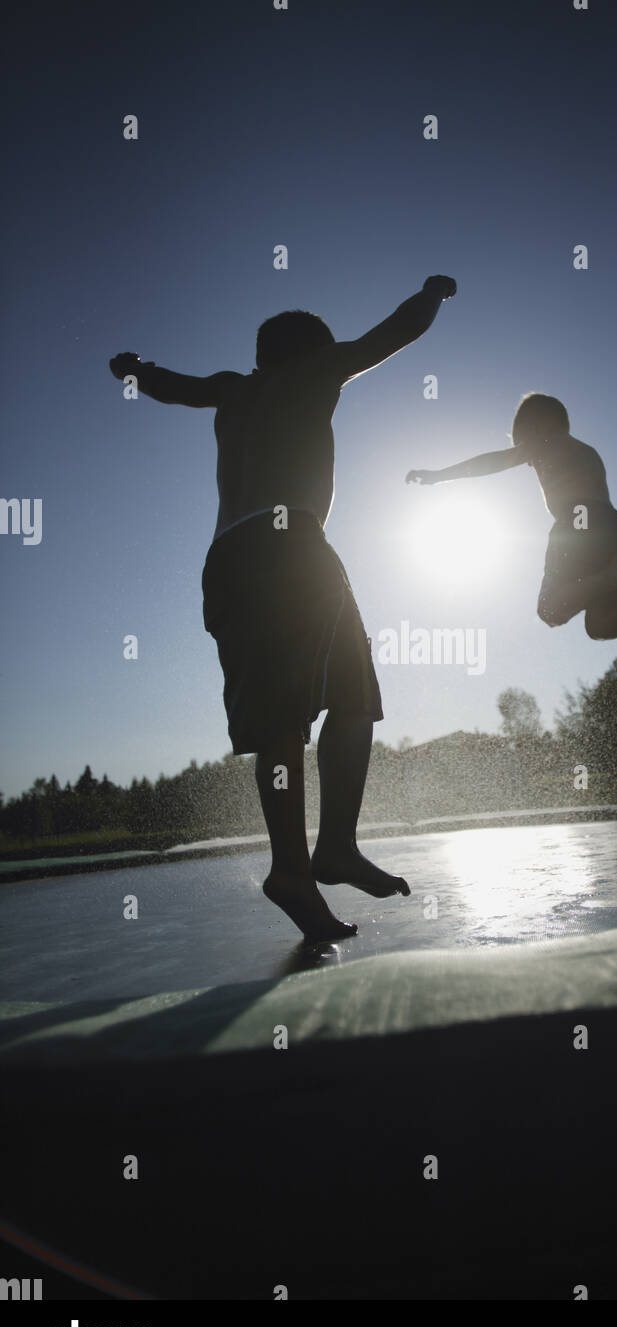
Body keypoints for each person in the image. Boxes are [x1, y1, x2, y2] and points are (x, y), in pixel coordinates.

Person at [110, 275, 457, 941]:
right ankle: (335, 847)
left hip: (226, 564)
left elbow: (169, 386)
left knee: (277, 721)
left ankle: (292, 870)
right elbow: (397, 332)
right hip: (290, 544)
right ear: (312, 352)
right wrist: (432, 292)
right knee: (353, 692)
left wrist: (135, 367)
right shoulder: (319, 367)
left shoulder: (232, 389)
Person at [406, 392, 617, 638]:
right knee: (602, 626)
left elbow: (492, 462)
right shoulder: (587, 451)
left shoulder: (545, 442)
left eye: (522, 441)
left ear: (537, 426)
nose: (526, 458)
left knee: (550, 610)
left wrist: (438, 476)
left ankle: (609, 577)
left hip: (578, 522)